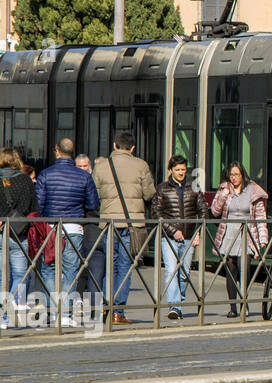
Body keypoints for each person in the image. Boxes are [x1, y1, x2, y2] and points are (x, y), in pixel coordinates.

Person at [91, 130, 156, 326]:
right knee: (125, 268)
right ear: (133, 148)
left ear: (114, 145)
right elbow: (149, 194)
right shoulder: (141, 165)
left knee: (109, 266)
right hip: (131, 224)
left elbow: (94, 195)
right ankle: (118, 311)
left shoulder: (101, 166)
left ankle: (105, 307)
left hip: (108, 224)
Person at [35, 138, 99, 327]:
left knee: (49, 269)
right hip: (74, 227)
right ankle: (65, 313)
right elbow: (93, 204)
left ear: (57, 151)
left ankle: (52, 310)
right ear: (73, 153)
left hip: (50, 228)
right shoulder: (84, 176)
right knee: (71, 270)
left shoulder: (45, 174)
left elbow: (38, 204)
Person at [211, 162, 269, 319]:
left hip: (247, 234)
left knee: (245, 268)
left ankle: (244, 301)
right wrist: (223, 194)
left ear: (242, 174)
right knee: (230, 269)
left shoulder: (253, 190)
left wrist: (262, 240)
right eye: (231, 175)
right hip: (229, 233)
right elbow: (215, 212)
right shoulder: (225, 188)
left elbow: (260, 217)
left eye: (236, 174)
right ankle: (233, 307)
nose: (234, 178)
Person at [151, 154, 206, 321]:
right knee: (171, 270)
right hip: (169, 238)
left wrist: (198, 233)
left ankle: (179, 304)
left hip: (189, 236)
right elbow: (156, 213)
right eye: (178, 170)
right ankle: (174, 305)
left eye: (183, 169)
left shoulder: (194, 187)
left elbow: (203, 211)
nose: (181, 173)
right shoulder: (162, 188)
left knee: (184, 273)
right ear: (171, 170)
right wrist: (173, 230)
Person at [0, 147, 38, 329]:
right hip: (19, 233)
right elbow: (34, 208)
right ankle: (13, 301)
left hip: (0, 233)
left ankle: (2, 317)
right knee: (20, 274)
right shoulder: (25, 180)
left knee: (1, 276)